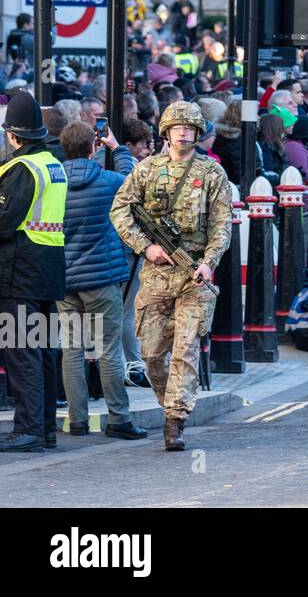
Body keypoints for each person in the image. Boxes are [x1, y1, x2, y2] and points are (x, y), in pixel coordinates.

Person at [109, 101, 232, 451]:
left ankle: (174, 420)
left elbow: (222, 224)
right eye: (177, 127)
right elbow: (120, 211)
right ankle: (169, 403)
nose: (182, 132)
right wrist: (144, 247)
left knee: (185, 348)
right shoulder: (147, 170)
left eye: (189, 128)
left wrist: (210, 261)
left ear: (196, 133)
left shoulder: (211, 173)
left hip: (194, 274)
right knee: (150, 354)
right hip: (157, 275)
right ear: (165, 131)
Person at [57, 122, 147, 441]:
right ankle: (118, 419)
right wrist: (117, 147)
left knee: (72, 350)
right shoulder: (108, 181)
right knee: (109, 350)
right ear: (92, 147)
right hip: (102, 278)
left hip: (65, 279)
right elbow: (133, 179)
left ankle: (77, 420)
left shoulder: (55, 180)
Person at [0, 91, 68, 452]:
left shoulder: (21, 169)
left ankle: (27, 431)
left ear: (12, 135)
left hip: (19, 271)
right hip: (48, 267)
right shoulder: (51, 163)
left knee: (21, 350)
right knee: (41, 351)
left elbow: (4, 220)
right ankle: (43, 429)